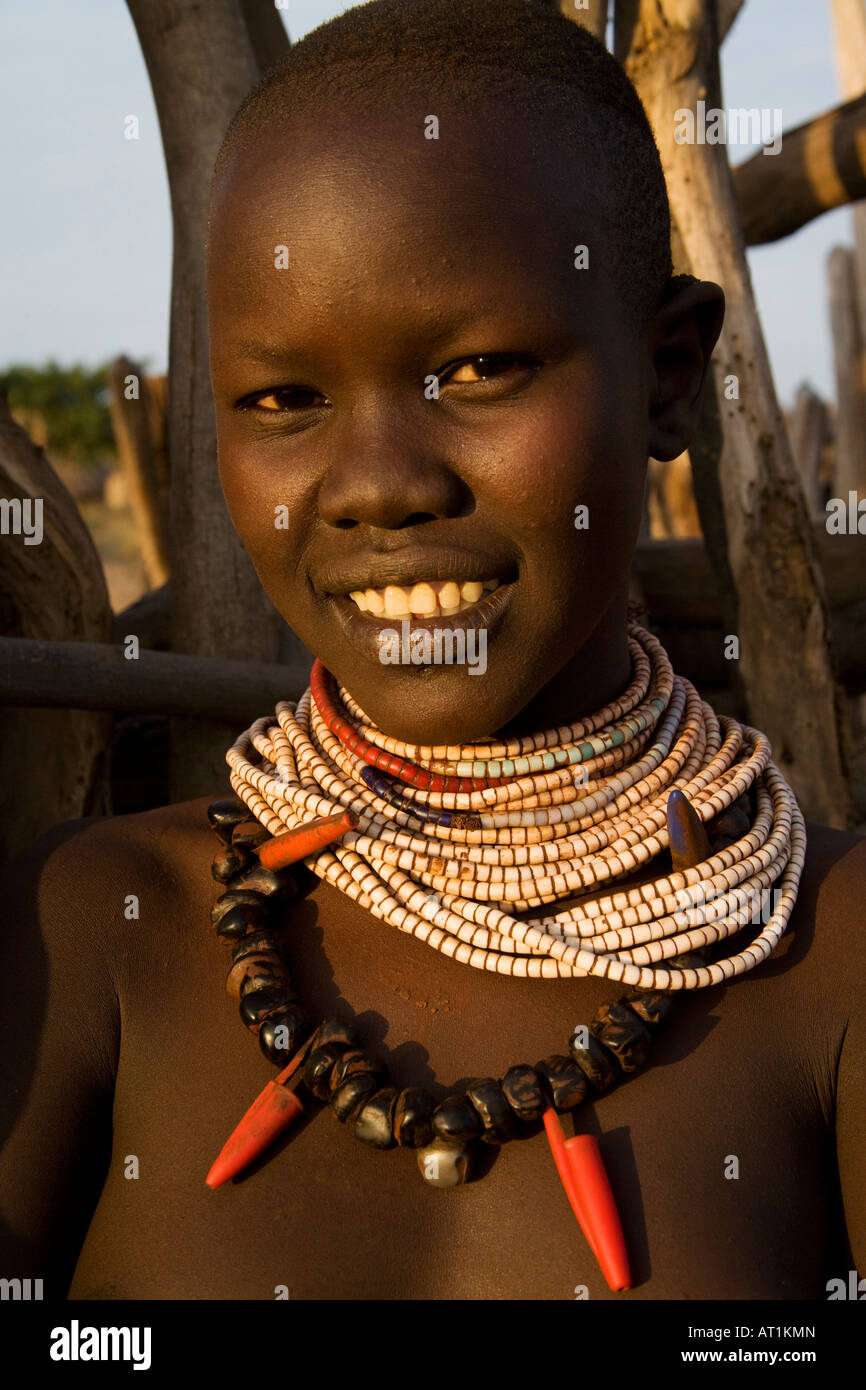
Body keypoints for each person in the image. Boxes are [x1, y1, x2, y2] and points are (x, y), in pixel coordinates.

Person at [1, 0, 864, 1302]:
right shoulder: (92, 929)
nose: (377, 487)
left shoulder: (823, 953)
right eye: (284, 398)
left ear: (670, 375)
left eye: (477, 370)